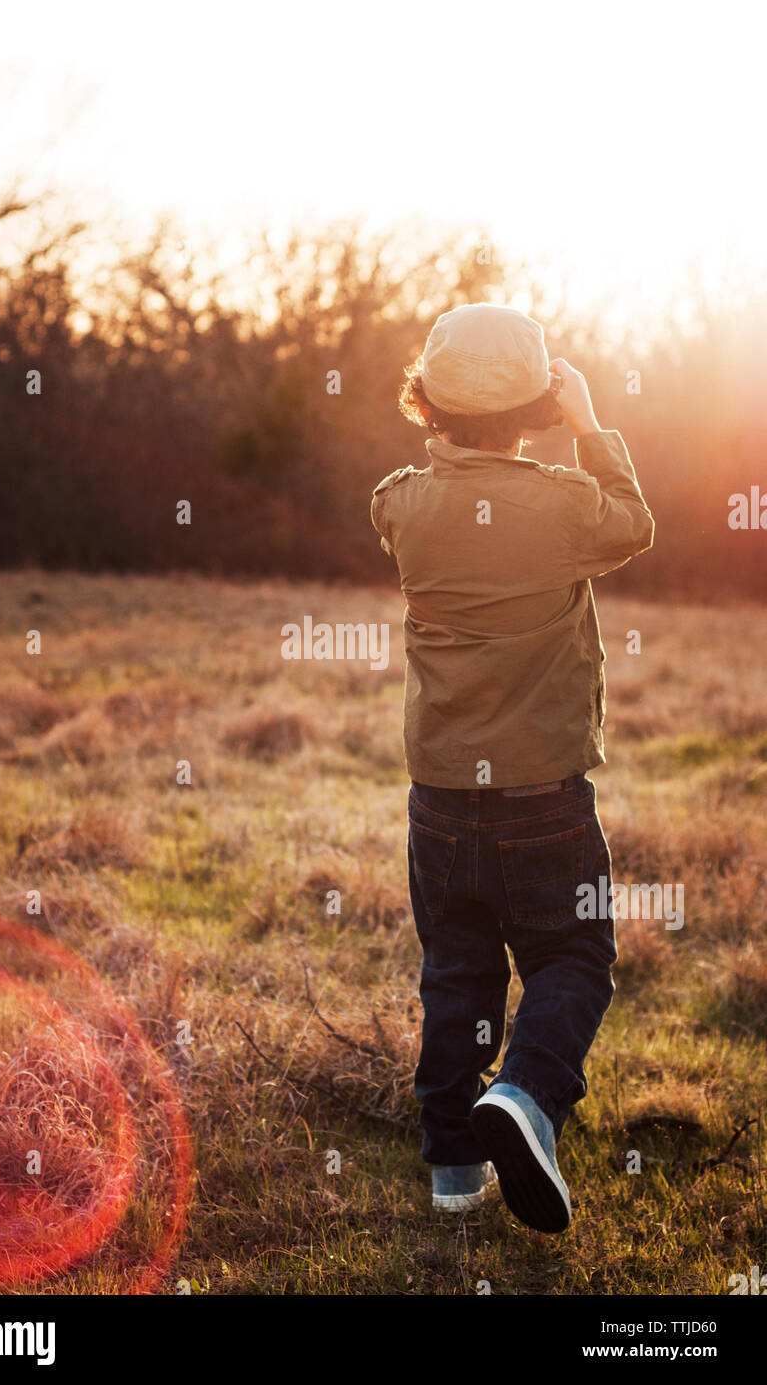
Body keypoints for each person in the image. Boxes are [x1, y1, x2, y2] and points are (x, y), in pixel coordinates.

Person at [370, 303, 654, 1232]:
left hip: (440, 800)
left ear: (427, 401)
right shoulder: (566, 505)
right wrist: (585, 421)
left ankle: (453, 1171)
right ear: (534, 402)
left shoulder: (398, 503)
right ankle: (526, 1094)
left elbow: (423, 498)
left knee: (457, 971)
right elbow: (634, 524)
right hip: (543, 799)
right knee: (572, 955)